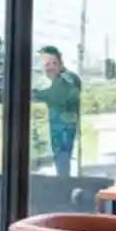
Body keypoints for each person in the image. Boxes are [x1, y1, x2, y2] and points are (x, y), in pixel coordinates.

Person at [32, 46, 82, 177]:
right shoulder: (59, 80)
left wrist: (33, 94)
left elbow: (56, 96)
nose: (49, 68)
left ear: (60, 63)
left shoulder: (67, 79)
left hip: (64, 127)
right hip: (59, 126)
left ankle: (63, 185)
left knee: (62, 158)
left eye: (53, 63)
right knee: (60, 157)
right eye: (46, 64)